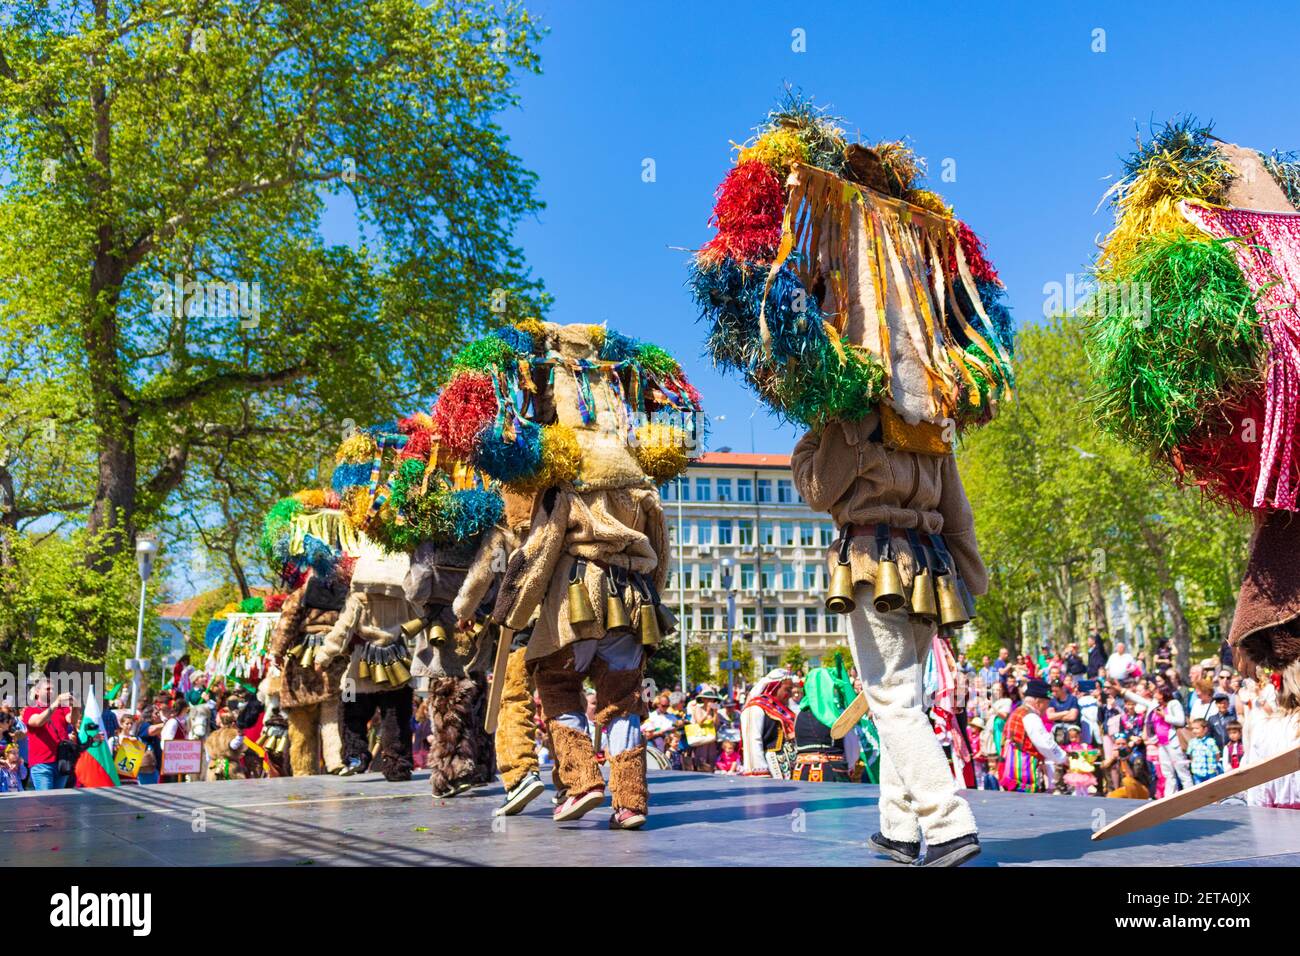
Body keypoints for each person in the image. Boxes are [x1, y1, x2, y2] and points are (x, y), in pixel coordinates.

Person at [999, 678, 1068, 793]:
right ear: (1037, 702)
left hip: (1009, 773)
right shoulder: (1030, 716)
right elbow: (1045, 744)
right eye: (1046, 703)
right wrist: (1064, 758)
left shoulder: (1017, 712)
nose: (1047, 708)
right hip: (1023, 774)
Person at [740, 669, 797, 778]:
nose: (790, 695)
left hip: (787, 771)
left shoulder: (781, 710)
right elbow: (753, 743)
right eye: (787, 689)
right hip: (770, 771)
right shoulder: (755, 709)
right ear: (775, 687)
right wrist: (760, 775)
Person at [22, 679, 77, 791]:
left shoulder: (62, 708)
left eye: (53, 689)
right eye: (48, 689)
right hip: (42, 764)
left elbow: (72, 720)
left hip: (62, 761)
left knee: (57, 802)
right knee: (46, 802)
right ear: (37, 692)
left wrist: (76, 706)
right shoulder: (30, 710)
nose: (52, 691)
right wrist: (55, 704)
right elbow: (38, 722)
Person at [1187, 718, 1222, 785]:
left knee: (1212, 788)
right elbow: (1190, 755)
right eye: (1193, 729)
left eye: (1197, 728)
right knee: (1200, 790)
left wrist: (1213, 764)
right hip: (1197, 772)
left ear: (1205, 729)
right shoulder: (1192, 742)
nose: (1194, 731)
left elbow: (1217, 755)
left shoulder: (1210, 741)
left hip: (1210, 772)